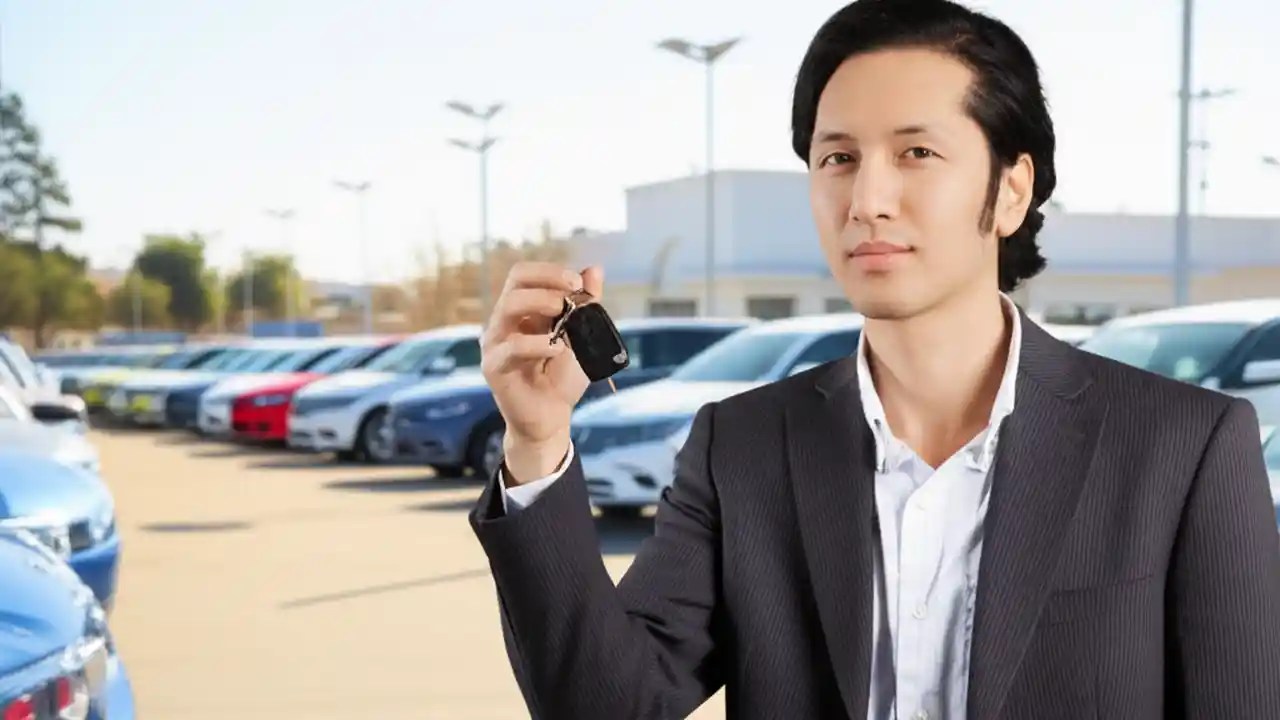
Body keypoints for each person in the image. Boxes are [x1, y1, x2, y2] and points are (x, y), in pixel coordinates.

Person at [469, 0, 1280, 717]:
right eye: (838, 158)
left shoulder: (1184, 445)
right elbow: (606, 704)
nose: (866, 200)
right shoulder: (741, 447)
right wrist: (536, 445)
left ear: (1009, 190)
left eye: (916, 153)